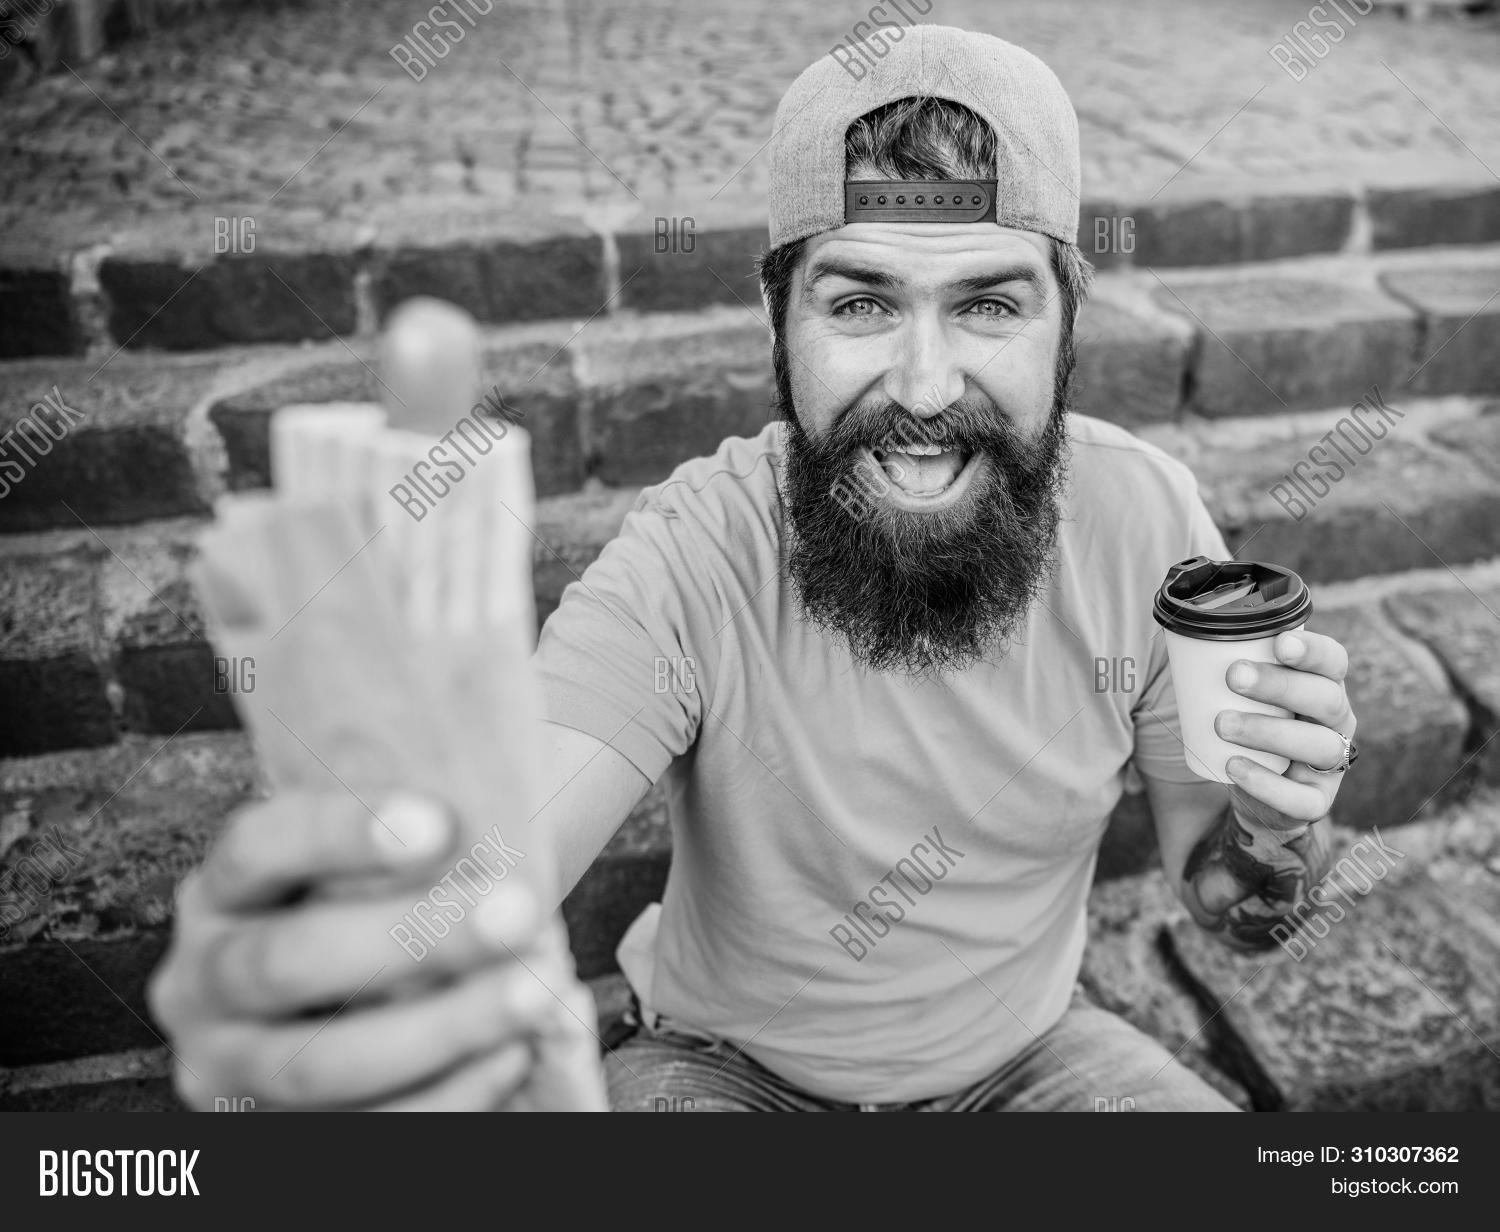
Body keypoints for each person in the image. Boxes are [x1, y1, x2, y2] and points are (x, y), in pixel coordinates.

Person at [150, 25, 1355, 1111]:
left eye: (990, 305)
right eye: (860, 303)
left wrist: (1275, 827)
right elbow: (495, 856)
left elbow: (1229, 906)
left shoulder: (1150, 522)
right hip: (718, 1073)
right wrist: (372, 966)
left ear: (1069, 319)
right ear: (776, 321)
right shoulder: (695, 550)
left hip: (1037, 1059)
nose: (926, 388)